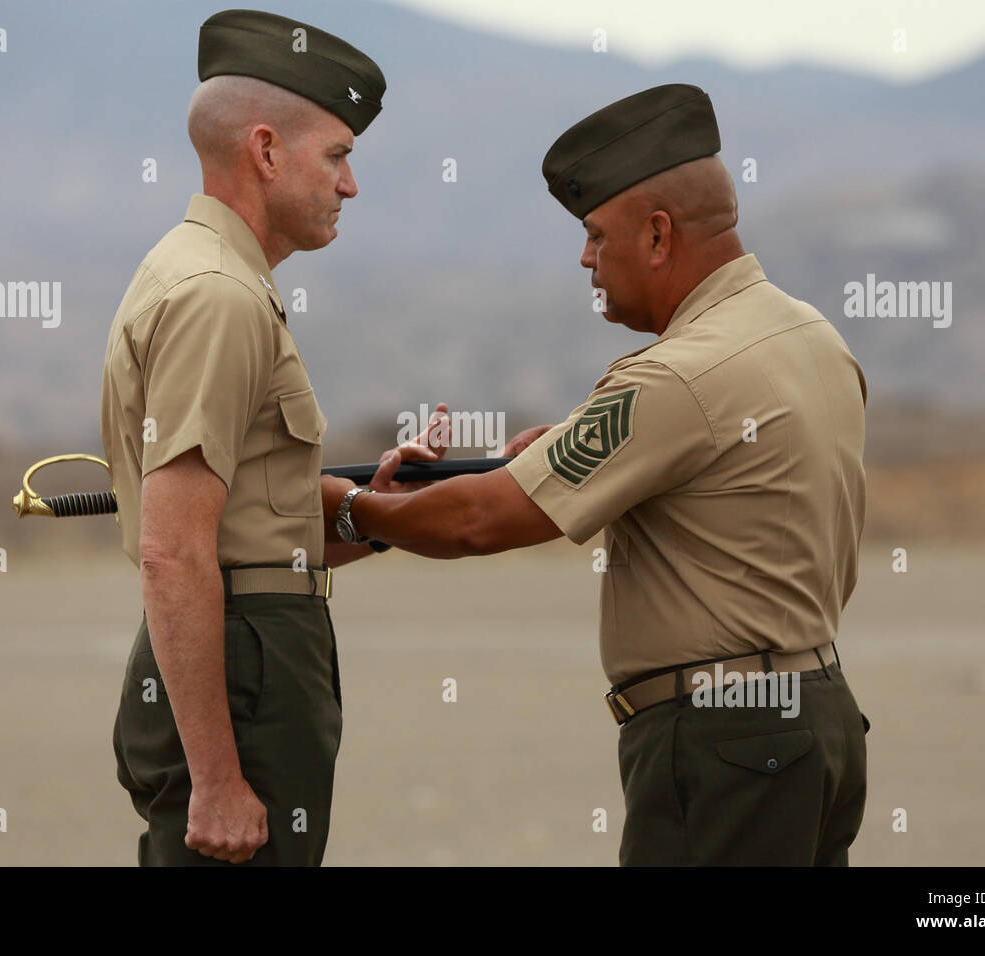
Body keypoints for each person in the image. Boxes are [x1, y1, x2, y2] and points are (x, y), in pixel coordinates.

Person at [327, 84, 871, 866]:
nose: (585, 258)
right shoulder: (810, 335)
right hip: (815, 716)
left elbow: (481, 519)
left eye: (594, 234)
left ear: (656, 234)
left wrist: (351, 510)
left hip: (730, 742)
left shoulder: (676, 376)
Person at [100, 9, 445, 866]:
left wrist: (374, 510)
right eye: (338, 156)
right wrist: (217, 779)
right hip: (242, 672)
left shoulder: (206, 277)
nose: (351, 184)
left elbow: (254, 518)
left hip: (245, 657)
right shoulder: (216, 296)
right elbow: (174, 549)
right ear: (264, 152)